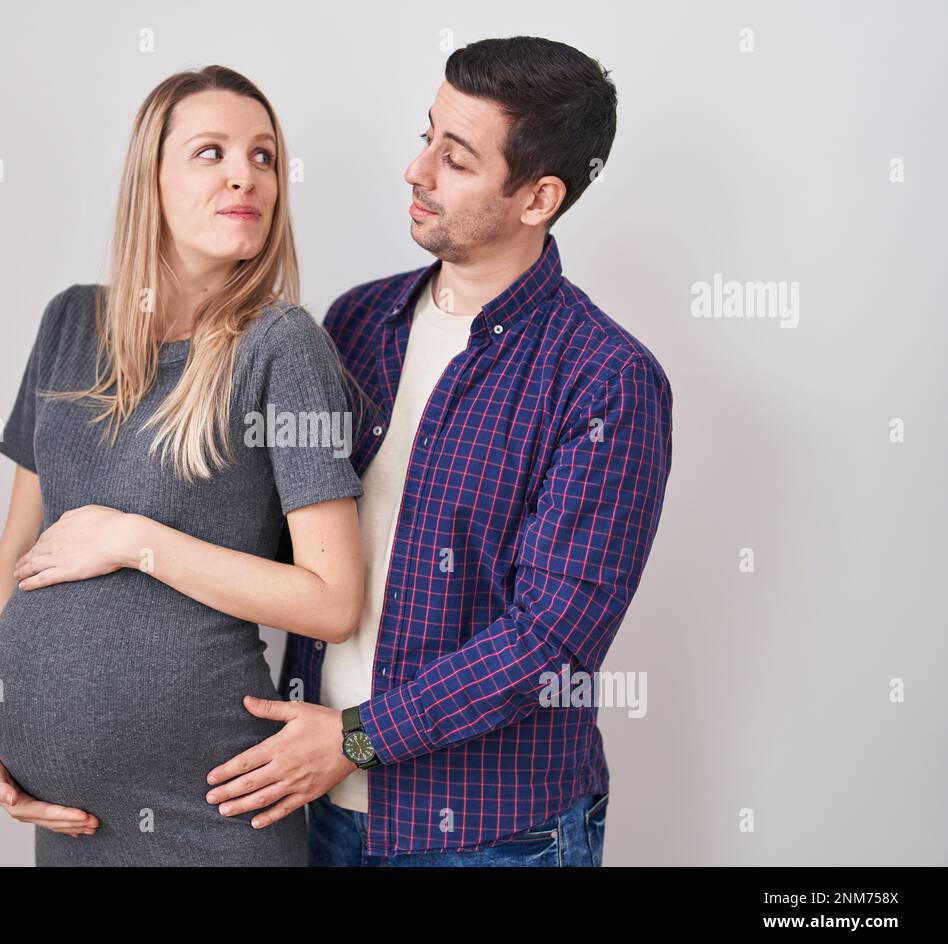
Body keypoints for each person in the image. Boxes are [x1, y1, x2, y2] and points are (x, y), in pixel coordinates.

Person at [201, 36, 675, 866]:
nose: (416, 171)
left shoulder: (609, 381)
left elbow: (550, 642)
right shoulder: (353, 325)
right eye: (426, 137)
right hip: (310, 804)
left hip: (495, 834)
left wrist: (354, 739)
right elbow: (274, 542)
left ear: (538, 198)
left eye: (454, 159)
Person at [0, 65, 365, 866]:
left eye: (263, 156)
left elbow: (331, 600)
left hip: (211, 807)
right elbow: (18, 549)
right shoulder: (70, 322)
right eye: (210, 152)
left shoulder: (285, 348)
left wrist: (130, 538)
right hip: (68, 817)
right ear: (150, 177)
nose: (245, 175)